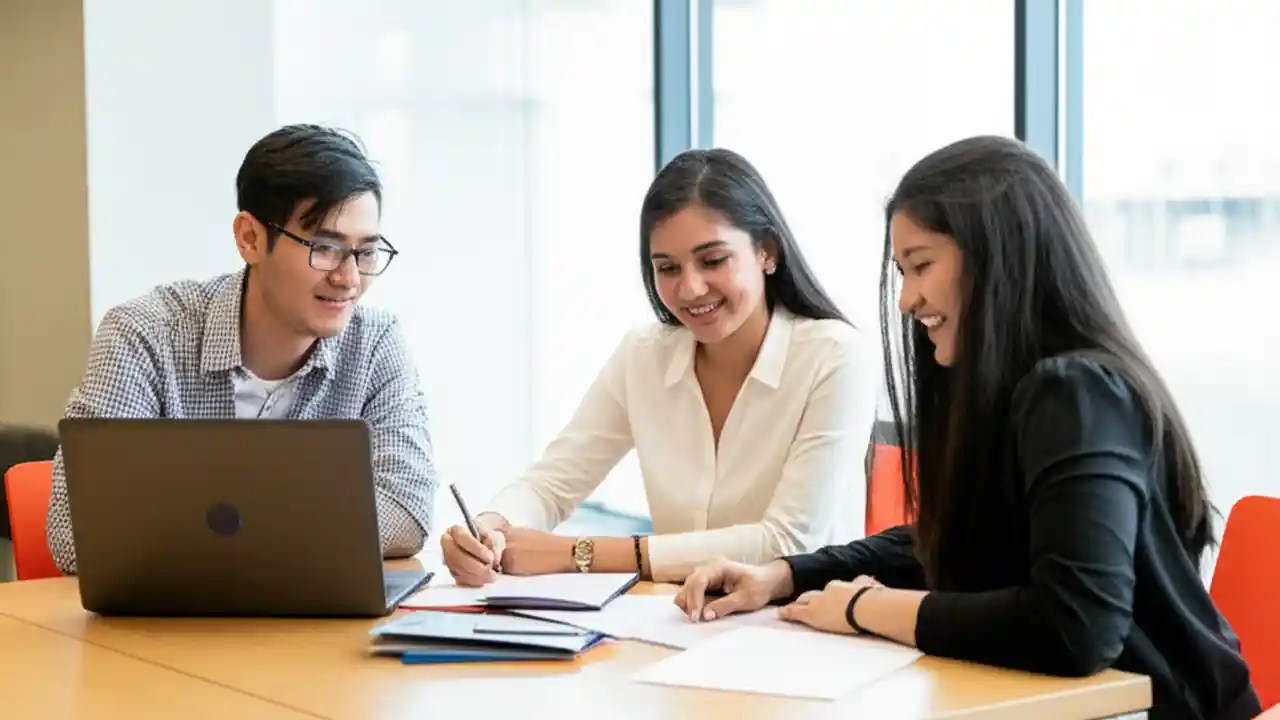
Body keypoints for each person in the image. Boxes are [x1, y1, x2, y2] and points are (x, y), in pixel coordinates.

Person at [674, 136, 1260, 720]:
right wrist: (784, 576)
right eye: (902, 271)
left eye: (922, 265)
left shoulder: (1077, 392)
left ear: (997, 254)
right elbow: (942, 539)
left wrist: (866, 610)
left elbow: (1075, 627)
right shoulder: (1020, 392)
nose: (906, 300)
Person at [441, 148, 879, 585]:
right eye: (666, 267)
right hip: (678, 623)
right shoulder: (644, 354)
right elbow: (552, 484)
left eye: (712, 260)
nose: (689, 288)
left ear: (766, 252)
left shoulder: (836, 356)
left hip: (804, 629)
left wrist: (579, 554)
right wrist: (488, 529)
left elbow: (788, 543)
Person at [46, 124, 437, 574]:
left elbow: (406, 510)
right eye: (325, 248)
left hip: (309, 625)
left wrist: (220, 528)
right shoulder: (145, 335)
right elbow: (76, 531)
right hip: (165, 627)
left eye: (366, 252)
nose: (349, 279)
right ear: (250, 238)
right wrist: (313, 525)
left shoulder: (375, 343)